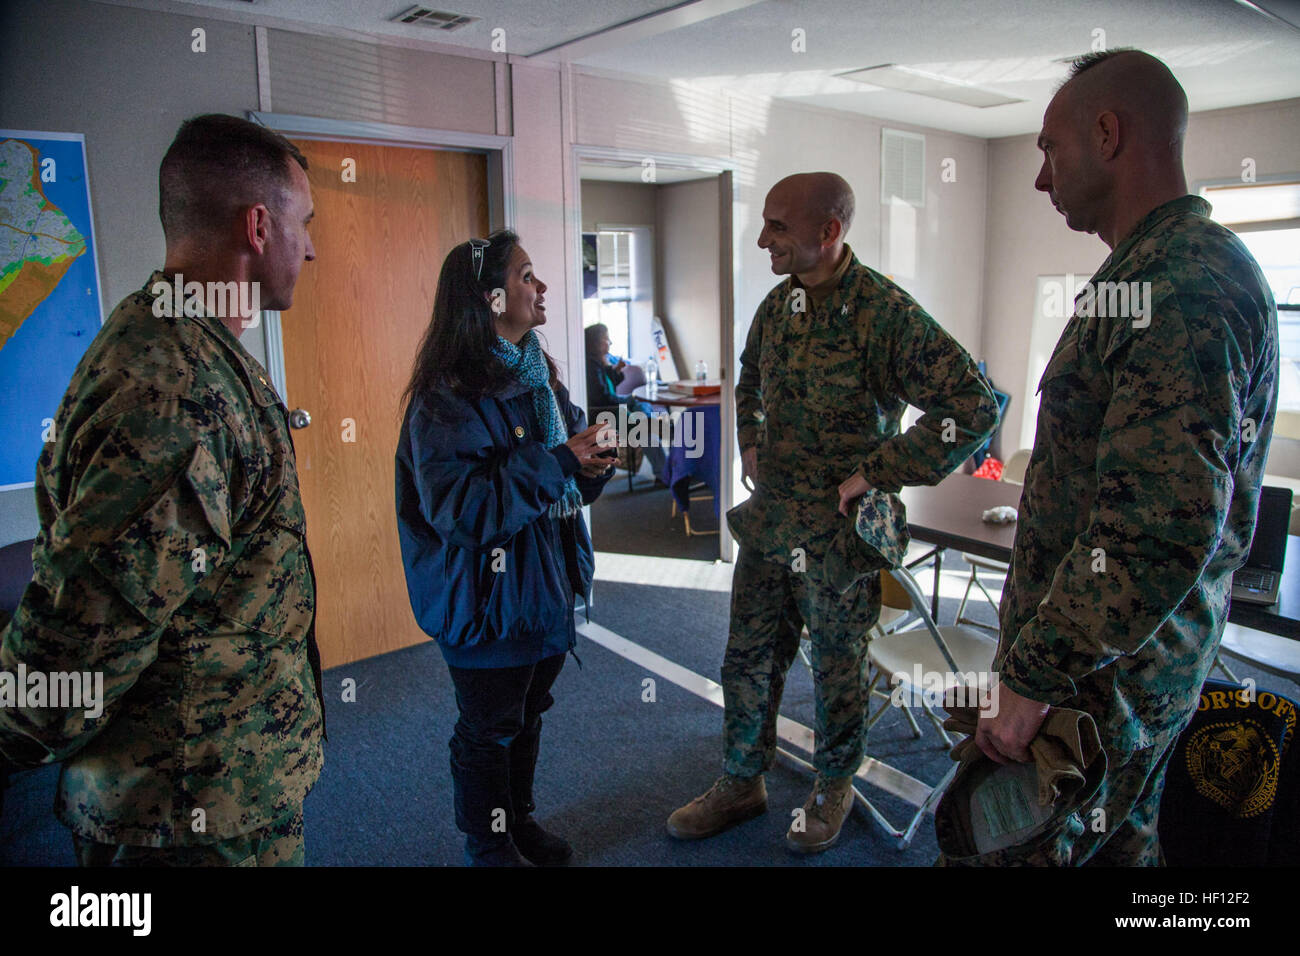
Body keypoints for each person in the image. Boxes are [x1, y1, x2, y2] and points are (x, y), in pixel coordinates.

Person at [973, 49, 1278, 865]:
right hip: (1118, 672)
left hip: (1102, 686)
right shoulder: (1154, 270)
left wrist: (1031, 680)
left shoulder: (1181, 283)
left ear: (1107, 133)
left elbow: (1153, 533)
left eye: (1048, 149)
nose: (1041, 177)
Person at [0, 113, 324, 865]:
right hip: (187, 812)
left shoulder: (188, 342)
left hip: (212, 783)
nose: (310, 245)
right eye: (302, 223)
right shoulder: (174, 394)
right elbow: (77, 644)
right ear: (257, 225)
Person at [667, 172, 999, 853]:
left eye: (778, 227)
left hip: (841, 535)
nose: (763, 239)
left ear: (829, 232)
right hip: (773, 521)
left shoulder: (885, 314)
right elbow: (750, 372)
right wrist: (751, 438)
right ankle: (741, 779)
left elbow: (974, 405)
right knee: (748, 657)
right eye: (764, 225)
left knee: (837, 669)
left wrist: (880, 470)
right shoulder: (778, 305)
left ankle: (832, 787)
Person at [395, 230, 615, 866]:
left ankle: (518, 822)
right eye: (525, 277)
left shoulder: (536, 372)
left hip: (543, 587)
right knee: (490, 728)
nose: (540, 287)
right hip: (485, 598)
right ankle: (489, 844)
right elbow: (464, 512)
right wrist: (560, 461)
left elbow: (563, 472)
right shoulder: (446, 396)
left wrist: (591, 464)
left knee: (529, 713)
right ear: (490, 298)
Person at [583, 322, 667, 482]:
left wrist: (616, 369)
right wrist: (626, 401)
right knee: (645, 429)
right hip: (605, 415)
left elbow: (610, 384)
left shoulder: (598, 363)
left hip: (611, 409)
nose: (610, 342)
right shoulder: (591, 367)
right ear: (595, 342)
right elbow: (603, 398)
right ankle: (664, 473)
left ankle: (652, 424)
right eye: (606, 339)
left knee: (642, 405)